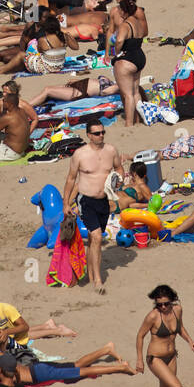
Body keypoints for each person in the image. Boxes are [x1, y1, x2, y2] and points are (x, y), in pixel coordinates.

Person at [63, 119, 122, 293]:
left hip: (103, 201)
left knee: (93, 239)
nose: (101, 135)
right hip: (85, 200)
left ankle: (89, 273)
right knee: (96, 237)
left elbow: (119, 168)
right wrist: (66, 203)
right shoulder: (80, 154)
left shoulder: (111, 151)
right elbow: (71, 179)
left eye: (103, 132)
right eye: (97, 133)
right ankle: (97, 279)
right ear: (89, 135)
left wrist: (118, 180)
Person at [135, 284, 194, 387]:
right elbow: (140, 336)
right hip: (155, 358)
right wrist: (139, 360)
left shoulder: (177, 310)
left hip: (172, 357)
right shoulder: (153, 316)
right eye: (159, 304)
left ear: (172, 301)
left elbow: (180, 328)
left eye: (166, 303)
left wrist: (189, 340)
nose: (163, 307)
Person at [109, 0, 146, 127]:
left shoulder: (125, 25)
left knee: (127, 94)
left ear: (123, 11)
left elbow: (119, 40)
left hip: (127, 59)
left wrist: (116, 52)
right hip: (139, 56)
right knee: (136, 92)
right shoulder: (137, 22)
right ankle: (138, 119)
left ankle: (129, 123)